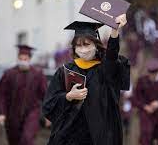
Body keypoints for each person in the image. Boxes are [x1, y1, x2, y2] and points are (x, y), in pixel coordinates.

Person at [42, 14, 130, 145]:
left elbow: (112, 57)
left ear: (96, 45)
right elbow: (49, 104)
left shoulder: (104, 69)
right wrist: (68, 96)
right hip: (71, 135)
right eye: (79, 46)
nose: (83, 49)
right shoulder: (65, 71)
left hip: (99, 134)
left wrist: (114, 31)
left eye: (87, 44)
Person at [0, 45, 47, 145]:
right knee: (14, 141)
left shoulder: (37, 74)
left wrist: (49, 114)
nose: (23, 60)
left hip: (32, 113)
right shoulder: (9, 74)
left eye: (25, 58)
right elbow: (1, 94)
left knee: (26, 139)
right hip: (12, 114)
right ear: (18, 58)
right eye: (21, 58)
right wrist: (1, 113)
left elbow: (45, 94)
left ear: (29, 59)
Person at [132, 58, 158, 145]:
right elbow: (136, 98)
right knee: (146, 137)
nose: (151, 76)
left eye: (153, 73)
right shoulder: (142, 81)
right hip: (146, 114)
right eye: (150, 73)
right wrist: (144, 106)